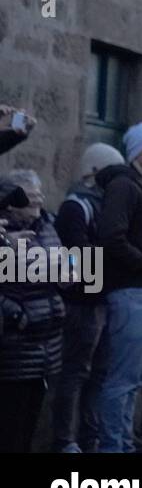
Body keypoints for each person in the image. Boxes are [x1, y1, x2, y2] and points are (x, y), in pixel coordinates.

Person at [93, 121, 142, 453]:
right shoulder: (124, 186)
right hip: (129, 293)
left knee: (134, 380)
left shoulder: (140, 187)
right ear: (136, 152)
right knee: (122, 381)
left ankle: (122, 444)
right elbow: (111, 237)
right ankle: (113, 447)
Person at [50, 143, 123, 453]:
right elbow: (79, 256)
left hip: (103, 300)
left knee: (100, 373)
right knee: (76, 371)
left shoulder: (106, 204)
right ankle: (65, 439)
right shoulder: (76, 206)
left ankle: (89, 436)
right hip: (82, 303)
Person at [0, 175, 64, 451]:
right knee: (10, 426)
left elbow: (66, 259)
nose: (37, 199)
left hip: (47, 344)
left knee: (29, 424)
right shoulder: (5, 233)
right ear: (11, 203)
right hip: (17, 343)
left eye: (39, 193)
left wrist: (71, 268)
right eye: (29, 194)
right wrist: (15, 314)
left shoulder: (48, 224)